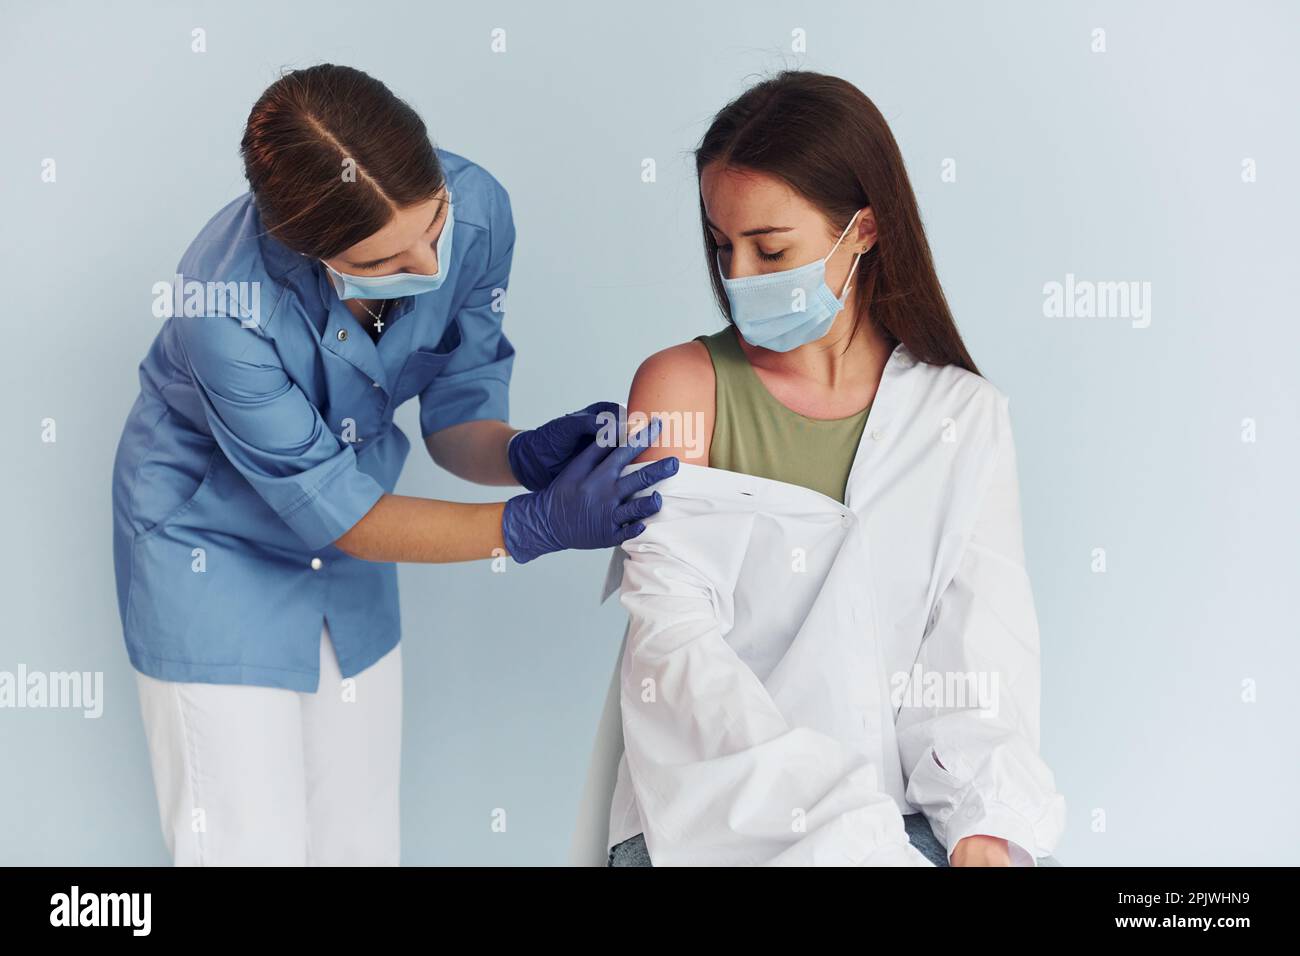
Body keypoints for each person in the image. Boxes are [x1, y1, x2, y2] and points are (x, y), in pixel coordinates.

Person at [112, 64, 676, 865]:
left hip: (357, 539)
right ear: (306, 251)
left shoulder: (477, 207)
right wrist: (533, 526)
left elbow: (457, 415)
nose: (430, 263)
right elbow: (346, 517)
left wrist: (519, 456)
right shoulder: (223, 307)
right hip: (212, 547)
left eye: (431, 225)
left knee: (360, 841)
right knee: (245, 844)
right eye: (383, 263)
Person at [600, 70, 1065, 866]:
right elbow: (677, 659)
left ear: (867, 229)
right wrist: (847, 832)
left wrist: (985, 830)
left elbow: (975, 656)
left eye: (770, 247)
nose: (739, 275)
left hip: (898, 818)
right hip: (716, 822)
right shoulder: (683, 389)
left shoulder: (961, 416)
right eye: (723, 245)